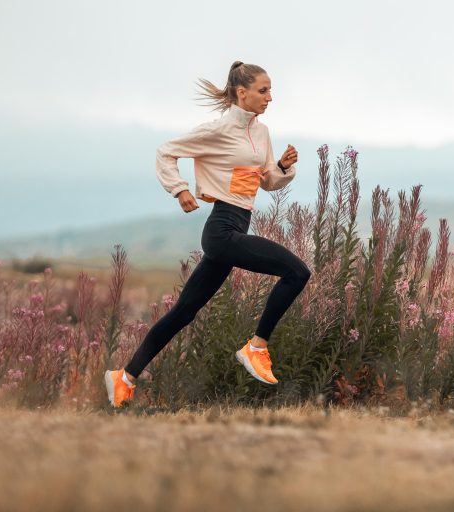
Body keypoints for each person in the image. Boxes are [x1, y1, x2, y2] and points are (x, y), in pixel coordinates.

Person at [104, 61, 311, 407]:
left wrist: (283, 168)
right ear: (241, 93)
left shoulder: (261, 133)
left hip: (238, 223)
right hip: (221, 229)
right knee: (297, 272)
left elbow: (268, 181)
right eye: (263, 90)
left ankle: (123, 378)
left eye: (271, 90)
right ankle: (256, 347)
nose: (270, 97)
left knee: (184, 312)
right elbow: (166, 152)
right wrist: (180, 189)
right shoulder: (218, 131)